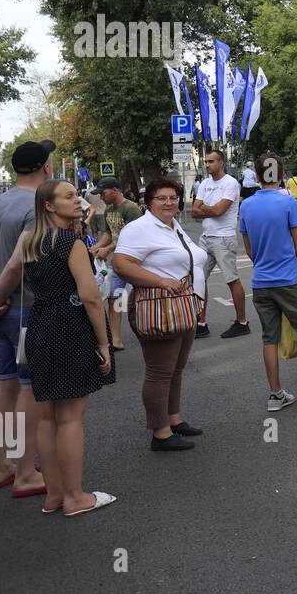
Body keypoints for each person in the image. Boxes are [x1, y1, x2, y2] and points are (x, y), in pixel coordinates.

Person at [0, 179, 115, 515]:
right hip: (69, 324)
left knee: (47, 416)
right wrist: (104, 343)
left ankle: (54, 495)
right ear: (49, 205)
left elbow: (12, 272)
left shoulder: (29, 239)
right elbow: (90, 296)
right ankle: (75, 497)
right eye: (68, 196)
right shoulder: (70, 242)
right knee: (71, 417)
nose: (77, 200)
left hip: (39, 323)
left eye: (76, 195)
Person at [112, 179, 209, 451]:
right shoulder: (139, 228)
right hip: (159, 307)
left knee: (176, 368)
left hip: (183, 305)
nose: (169, 203)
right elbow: (121, 264)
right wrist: (160, 281)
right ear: (148, 202)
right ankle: (160, 432)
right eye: (161, 198)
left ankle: (173, 418)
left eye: (173, 198)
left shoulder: (173, 225)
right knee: (159, 372)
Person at [0, 140, 52, 496]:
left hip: (2, 310)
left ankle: (1, 465)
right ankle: (25, 472)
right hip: (25, 307)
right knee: (30, 390)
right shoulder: (37, 207)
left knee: (7, 386)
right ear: (46, 167)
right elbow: (18, 264)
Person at [238, 154, 297, 413]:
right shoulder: (288, 202)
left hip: (261, 281)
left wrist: (262, 264)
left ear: (256, 176)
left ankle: (276, 394)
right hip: (289, 278)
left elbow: (248, 248)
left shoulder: (246, 205)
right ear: (282, 175)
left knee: (269, 337)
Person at [192, 149, 250, 339]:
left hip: (223, 238)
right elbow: (194, 211)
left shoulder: (230, 183)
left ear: (221, 163)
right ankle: (201, 324)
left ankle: (242, 322)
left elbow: (219, 211)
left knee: (232, 279)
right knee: (198, 278)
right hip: (205, 237)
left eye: (211, 161)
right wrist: (210, 209)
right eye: (206, 161)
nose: (207, 165)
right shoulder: (204, 183)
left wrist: (205, 209)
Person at [89, 177, 143, 352]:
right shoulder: (109, 210)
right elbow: (108, 233)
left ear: (115, 190)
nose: (101, 197)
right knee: (115, 297)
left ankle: (153, 328)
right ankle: (116, 340)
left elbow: (133, 238)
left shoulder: (131, 209)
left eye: (103, 193)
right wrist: (95, 248)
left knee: (141, 297)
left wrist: (107, 249)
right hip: (118, 263)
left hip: (136, 262)